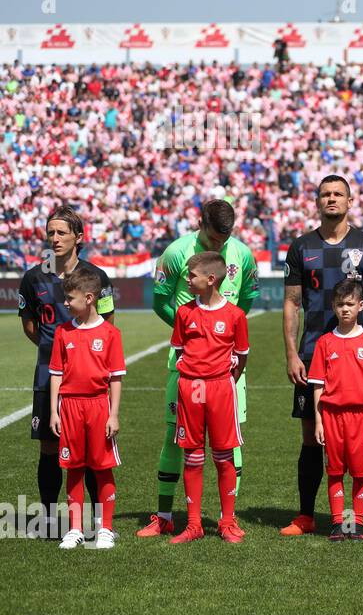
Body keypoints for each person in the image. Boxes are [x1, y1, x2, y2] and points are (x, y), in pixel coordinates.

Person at [138, 200, 259, 538]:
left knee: (230, 442)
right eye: (214, 236)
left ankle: (226, 519)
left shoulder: (244, 255)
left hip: (226, 368)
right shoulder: (176, 252)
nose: (220, 244)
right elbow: (160, 300)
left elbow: (247, 298)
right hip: (186, 368)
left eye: (226, 237)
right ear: (201, 223)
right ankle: (164, 515)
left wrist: (222, 332)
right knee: (175, 438)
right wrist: (192, 330)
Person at [281, 175, 363, 537]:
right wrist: (291, 353)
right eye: (326, 195)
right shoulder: (301, 247)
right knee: (312, 436)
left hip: (357, 359)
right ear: (317, 202)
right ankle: (306, 516)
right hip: (314, 353)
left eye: (338, 195)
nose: (332, 200)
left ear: (349, 201)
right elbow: (292, 303)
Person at [17, 207, 115, 539]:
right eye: (51, 232)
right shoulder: (33, 277)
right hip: (48, 376)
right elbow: (30, 326)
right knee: (48, 445)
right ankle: (48, 518)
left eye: (61, 232)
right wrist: (55, 352)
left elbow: (108, 328)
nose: (54, 238)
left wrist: (83, 355)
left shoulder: (97, 277)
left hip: (88, 378)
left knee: (89, 449)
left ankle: (95, 522)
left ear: (78, 237)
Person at [167, 252, 251, 545]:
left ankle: (227, 522)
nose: (187, 280)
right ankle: (193, 525)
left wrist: (222, 381)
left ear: (211, 279)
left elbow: (241, 359)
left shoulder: (235, 316)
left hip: (220, 388)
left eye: (191, 276)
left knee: (224, 455)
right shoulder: (184, 313)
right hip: (190, 388)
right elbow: (179, 350)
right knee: (192, 455)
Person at [49, 266, 125, 550]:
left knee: (102, 468)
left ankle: (105, 528)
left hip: (98, 406)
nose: (65, 303)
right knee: (74, 467)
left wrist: (113, 414)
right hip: (69, 407)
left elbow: (115, 377)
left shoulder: (110, 334)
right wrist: (55, 411)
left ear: (90, 298)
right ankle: (75, 529)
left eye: (70, 298)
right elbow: (56, 373)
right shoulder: (62, 332)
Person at [307, 280, 363, 542]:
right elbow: (318, 386)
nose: (345, 309)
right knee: (335, 471)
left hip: (361, 416)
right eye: (340, 304)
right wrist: (319, 421)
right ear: (333, 306)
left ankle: (356, 523)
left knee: (360, 471)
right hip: (332, 416)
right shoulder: (325, 343)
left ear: (361, 306)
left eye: (350, 304)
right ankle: (337, 523)